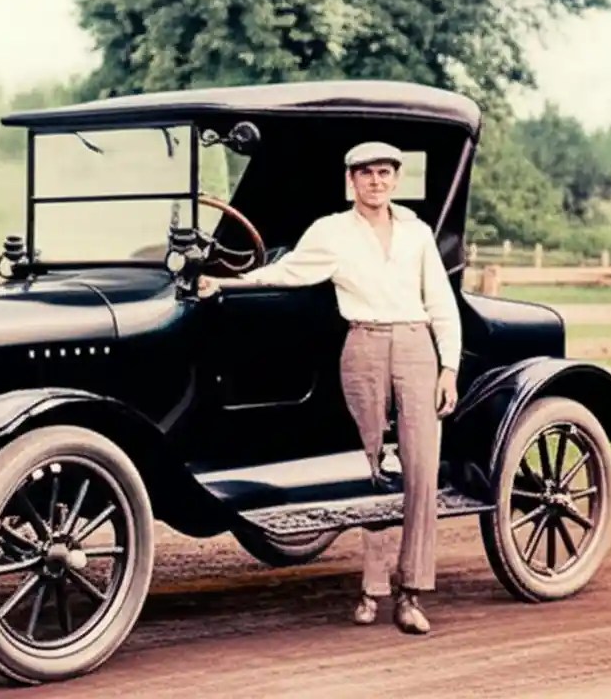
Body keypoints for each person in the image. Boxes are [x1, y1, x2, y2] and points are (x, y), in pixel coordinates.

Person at [197, 141, 461, 634]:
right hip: (362, 346)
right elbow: (288, 272)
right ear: (351, 181)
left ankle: (412, 594)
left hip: (415, 346)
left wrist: (448, 368)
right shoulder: (331, 232)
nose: (376, 182)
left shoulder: (417, 233)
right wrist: (226, 284)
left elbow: (441, 303)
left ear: (396, 180)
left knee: (421, 470)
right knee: (373, 469)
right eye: (366, 174)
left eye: (384, 173)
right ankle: (371, 589)